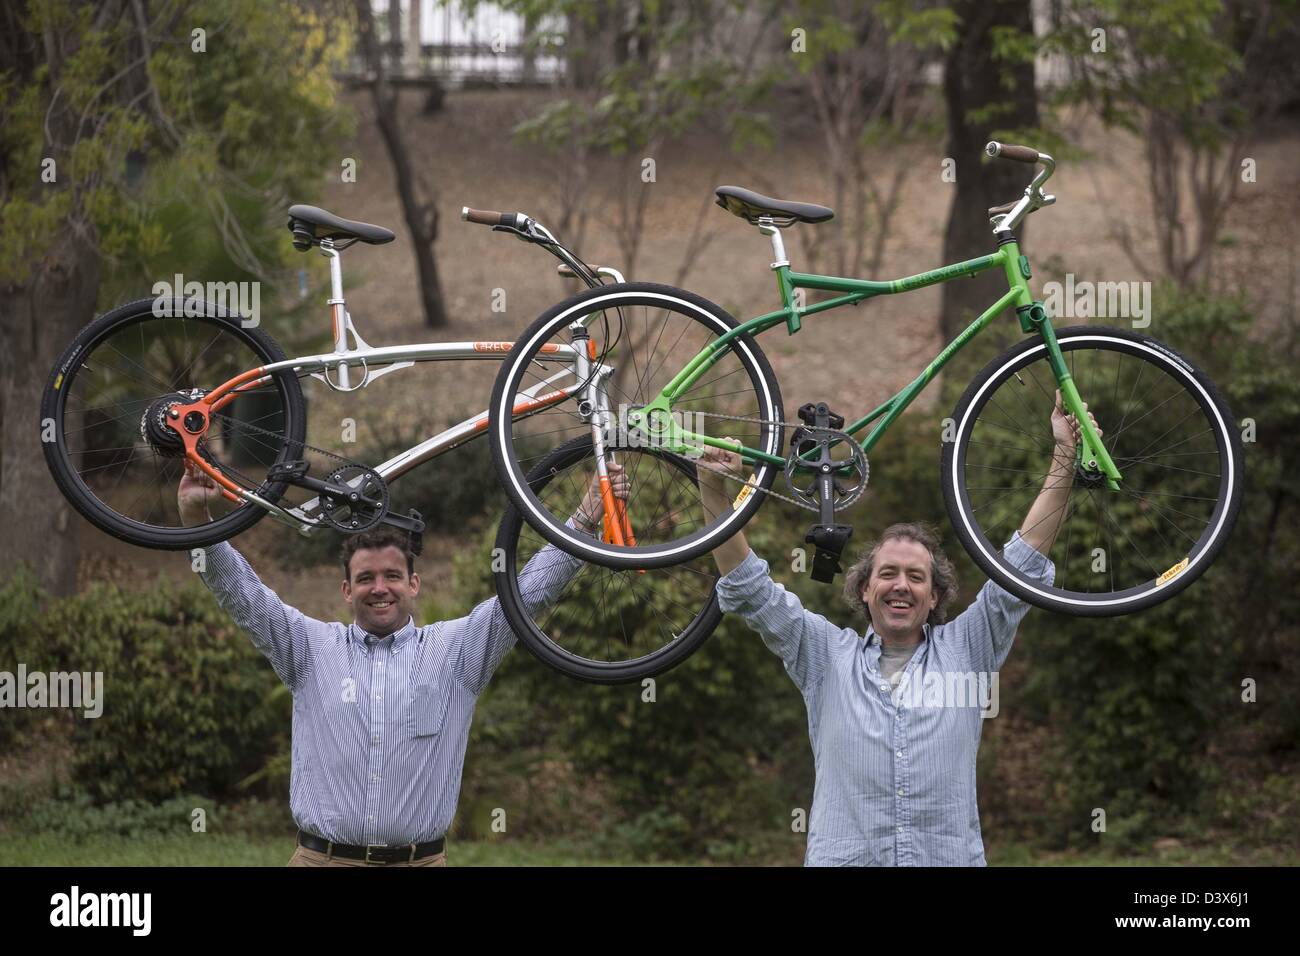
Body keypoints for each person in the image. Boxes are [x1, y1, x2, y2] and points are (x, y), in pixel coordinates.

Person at [696, 390, 1099, 866]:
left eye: (916, 577)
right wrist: (713, 489)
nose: (901, 585)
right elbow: (751, 590)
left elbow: (1021, 567)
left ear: (934, 597)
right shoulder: (826, 656)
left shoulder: (969, 649)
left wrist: (1065, 456)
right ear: (865, 589)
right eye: (888, 574)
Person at [178, 459, 627, 866]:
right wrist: (198, 520)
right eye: (365, 578)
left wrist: (585, 519)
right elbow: (242, 595)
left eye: (392, 575)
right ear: (347, 591)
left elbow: (526, 595)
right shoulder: (310, 648)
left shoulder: (457, 650)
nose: (380, 588)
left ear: (413, 584)